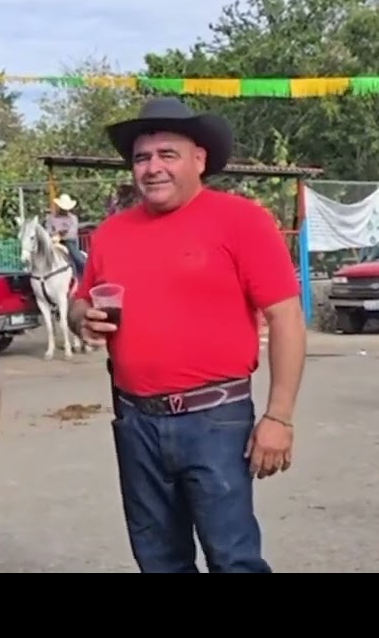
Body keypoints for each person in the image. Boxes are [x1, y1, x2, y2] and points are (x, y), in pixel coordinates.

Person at [67, 97, 306, 573]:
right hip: (136, 422)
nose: (152, 168)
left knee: (233, 558)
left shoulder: (242, 221)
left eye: (166, 155)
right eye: (141, 158)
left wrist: (279, 417)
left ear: (199, 159)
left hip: (216, 420)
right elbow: (81, 299)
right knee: (158, 561)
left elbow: (286, 318)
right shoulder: (112, 233)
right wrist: (81, 317)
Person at [46, 193, 87, 277]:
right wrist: (55, 235)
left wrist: (62, 236)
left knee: (77, 257)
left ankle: (84, 271)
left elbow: (72, 233)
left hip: (68, 241)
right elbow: (48, 229)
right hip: (53, 240)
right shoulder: (50, 218)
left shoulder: (73, 218)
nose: (64, 210)